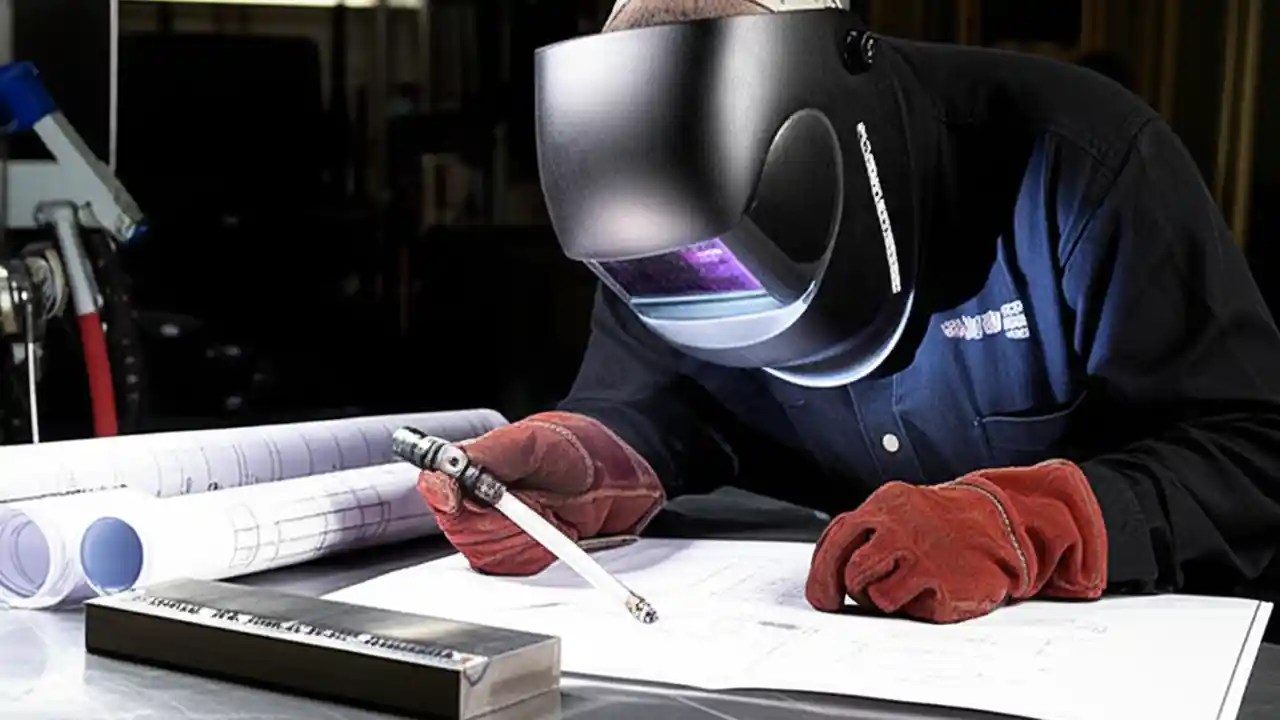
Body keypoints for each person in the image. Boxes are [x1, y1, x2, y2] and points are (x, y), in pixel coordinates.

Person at [418, 0, 1280, 625]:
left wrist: (1031, 525)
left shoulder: (1077, 163)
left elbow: (1251, 455)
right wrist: (587, 461)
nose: (706, 282)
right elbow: (653, 400)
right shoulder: (659, 228)